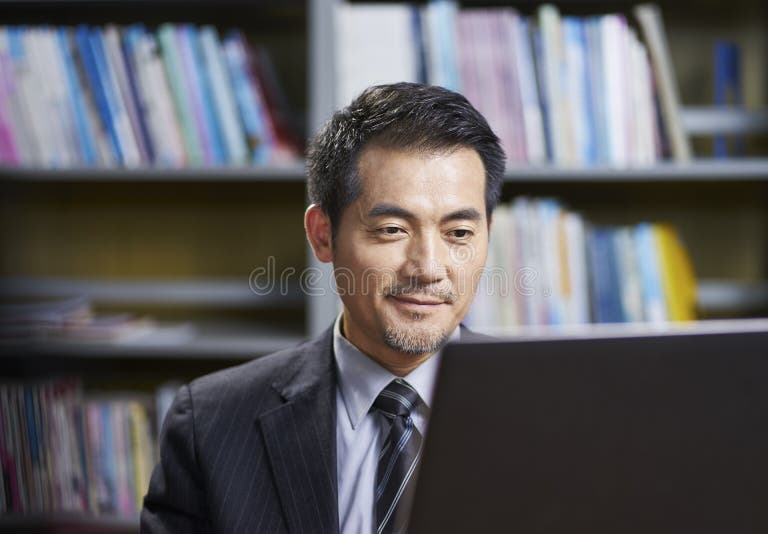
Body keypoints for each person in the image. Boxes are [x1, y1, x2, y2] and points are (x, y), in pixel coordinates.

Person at [141, 82, 506, 534]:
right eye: (392, 229)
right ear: (321, 234)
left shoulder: (556, 414)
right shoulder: (209, 426)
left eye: (459, 234)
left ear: (488, 232)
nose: (428, 269)